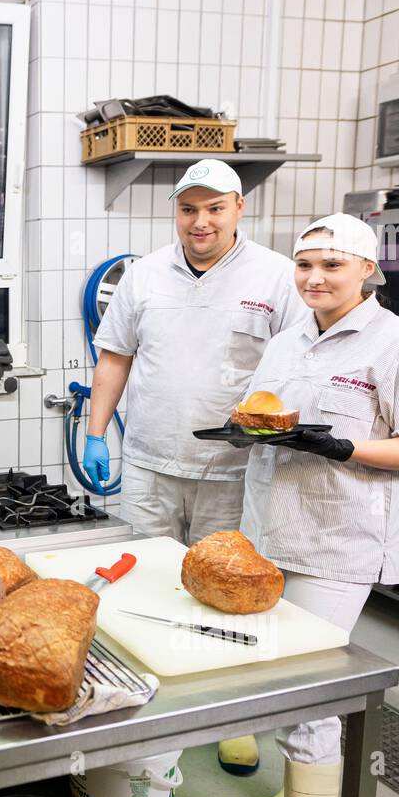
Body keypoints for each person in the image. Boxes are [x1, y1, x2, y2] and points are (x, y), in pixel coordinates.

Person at [231, 213, 399, 797]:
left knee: (310, 688)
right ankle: (291, 795)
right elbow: (265, 411)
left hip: (338, 539)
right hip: (268, 529)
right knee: (278, 673)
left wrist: (345, 446)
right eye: (304, 265)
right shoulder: (286, 338)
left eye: (333, 265)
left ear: (368, 271)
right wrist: (242, 427)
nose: (315, 278)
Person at [85, 159, 308, 546]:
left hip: (233, 469)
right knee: (144, 576)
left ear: (239, 206)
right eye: (188, 209)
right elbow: (115, 358)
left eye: (214, 208)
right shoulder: (144, 274)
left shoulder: (278, 276)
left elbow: (300, 368)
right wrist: (95, 434)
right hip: (148, 466)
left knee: (219, 581)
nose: (200, 221)